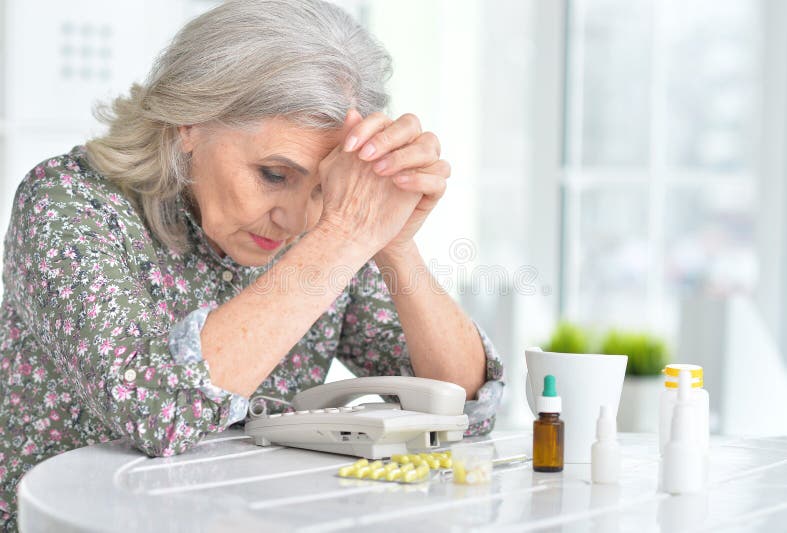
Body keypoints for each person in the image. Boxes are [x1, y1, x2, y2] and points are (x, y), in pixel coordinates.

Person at [0, 0, 504, 527]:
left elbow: (463, 409)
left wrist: (394, 245)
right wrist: (345, 232)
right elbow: (161, 411)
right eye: (273, 174)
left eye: (322, 190)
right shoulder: (68, 203)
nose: (293, 220)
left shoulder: (328, 232)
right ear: (189, 122)